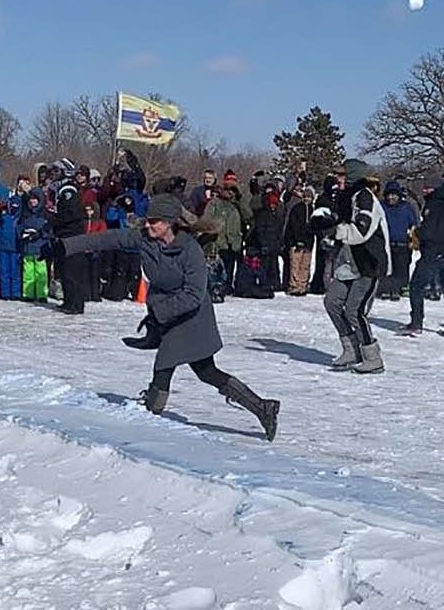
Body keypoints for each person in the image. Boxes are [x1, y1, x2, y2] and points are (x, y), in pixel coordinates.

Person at [52, 194, 280, 441]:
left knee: (166, 364)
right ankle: (262, 407)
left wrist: (158, 314)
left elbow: (193, 295)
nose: (148, 225)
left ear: (170, 222)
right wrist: (66, 246)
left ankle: (149, 418)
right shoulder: (144, 239)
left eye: (155, 221)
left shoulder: (190, 250)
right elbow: (110, 239)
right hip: (167, 313)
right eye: (148, 220)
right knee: (205, 370)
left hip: (193, 316)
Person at [316, 159, 390, 374]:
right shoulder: (344, 198)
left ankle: (372, 356)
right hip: (348, 262)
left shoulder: (365, 197)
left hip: (368, 262)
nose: (336, 179)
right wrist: (326, 233)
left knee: (354, 311)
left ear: (351, 176)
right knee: (332, 302)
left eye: (340, 175)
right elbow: (341, 228)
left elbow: (360, 232)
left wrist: (335, 230)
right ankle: (351, 349)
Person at [403, 171, 444, 337]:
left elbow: (430, 230)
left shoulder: (435, 202)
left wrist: (418, 233)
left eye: (426, 188)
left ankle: (416, 322)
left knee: (416, 285)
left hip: (434, 252)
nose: (424, 191)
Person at [52, 180, 90, 313]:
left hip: (73, 239)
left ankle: (76, 304)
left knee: (73, 273)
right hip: (65, 239)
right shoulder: (66, 198)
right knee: (65, 272)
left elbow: (68, 215)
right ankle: (69, 301)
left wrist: (54, 220)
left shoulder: (70, 198)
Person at [381, 180, 419, 301]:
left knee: (401, 267)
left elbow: (413, 224)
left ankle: (399, 288)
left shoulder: (406, 207)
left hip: (403, 243)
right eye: (389, 195)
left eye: (394, 195)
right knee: (387, 267)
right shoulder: (382, 207)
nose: (391, 197)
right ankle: (386, 289)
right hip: (387, 243)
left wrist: (413, 238)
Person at [282, 183, 316, 296]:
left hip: (308, 242)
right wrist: (297, 240)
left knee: (305, 265)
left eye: (309, 197)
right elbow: (294, 226)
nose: (307, 199)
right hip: (296, 242)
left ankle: (302, 285)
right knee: (295, 264)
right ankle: (294, 286)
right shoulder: (297, 209)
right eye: (305, 197)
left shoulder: (312, 210)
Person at [18, 190, 51, 303]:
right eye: (31, 199)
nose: (32, 201)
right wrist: (22, 234)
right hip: (28, 246)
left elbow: (49, 230)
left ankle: (42, 294)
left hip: (40, 247)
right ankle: (28, 293)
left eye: (35, 199)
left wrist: (40, 234)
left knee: (41, 272)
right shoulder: (26, 214)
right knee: (28, 272)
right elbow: (19, 227)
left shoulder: (44, 214)